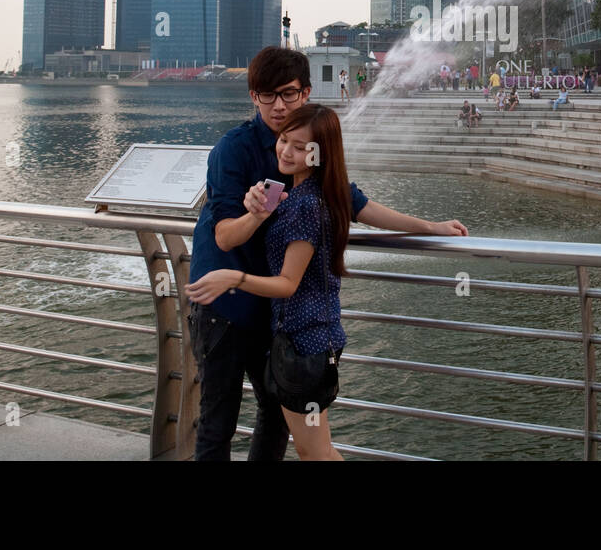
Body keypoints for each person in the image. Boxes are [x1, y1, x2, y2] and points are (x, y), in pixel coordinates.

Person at [185, 47, 468, 461]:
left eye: (288, 93)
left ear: (306, 93)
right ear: (253, 96)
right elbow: (226, 237)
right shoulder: (234, 150)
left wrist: (431, 227)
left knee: (277, 417)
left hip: (276, 313)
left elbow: (356, 204)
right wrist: (257, 214)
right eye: (267, 95)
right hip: (224, 307)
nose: (278, 106)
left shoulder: (311, 147)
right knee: (218, 421)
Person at [187, 104, 350, 460]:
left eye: (299, 146)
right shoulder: (304, 194)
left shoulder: (305, 206)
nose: (285, 151)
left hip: (304, 346)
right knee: (313, 448)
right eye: (283, 140)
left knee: (316, 452)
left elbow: (288, 284)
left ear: (320, 153)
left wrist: (235, 277)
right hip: (311, 339)